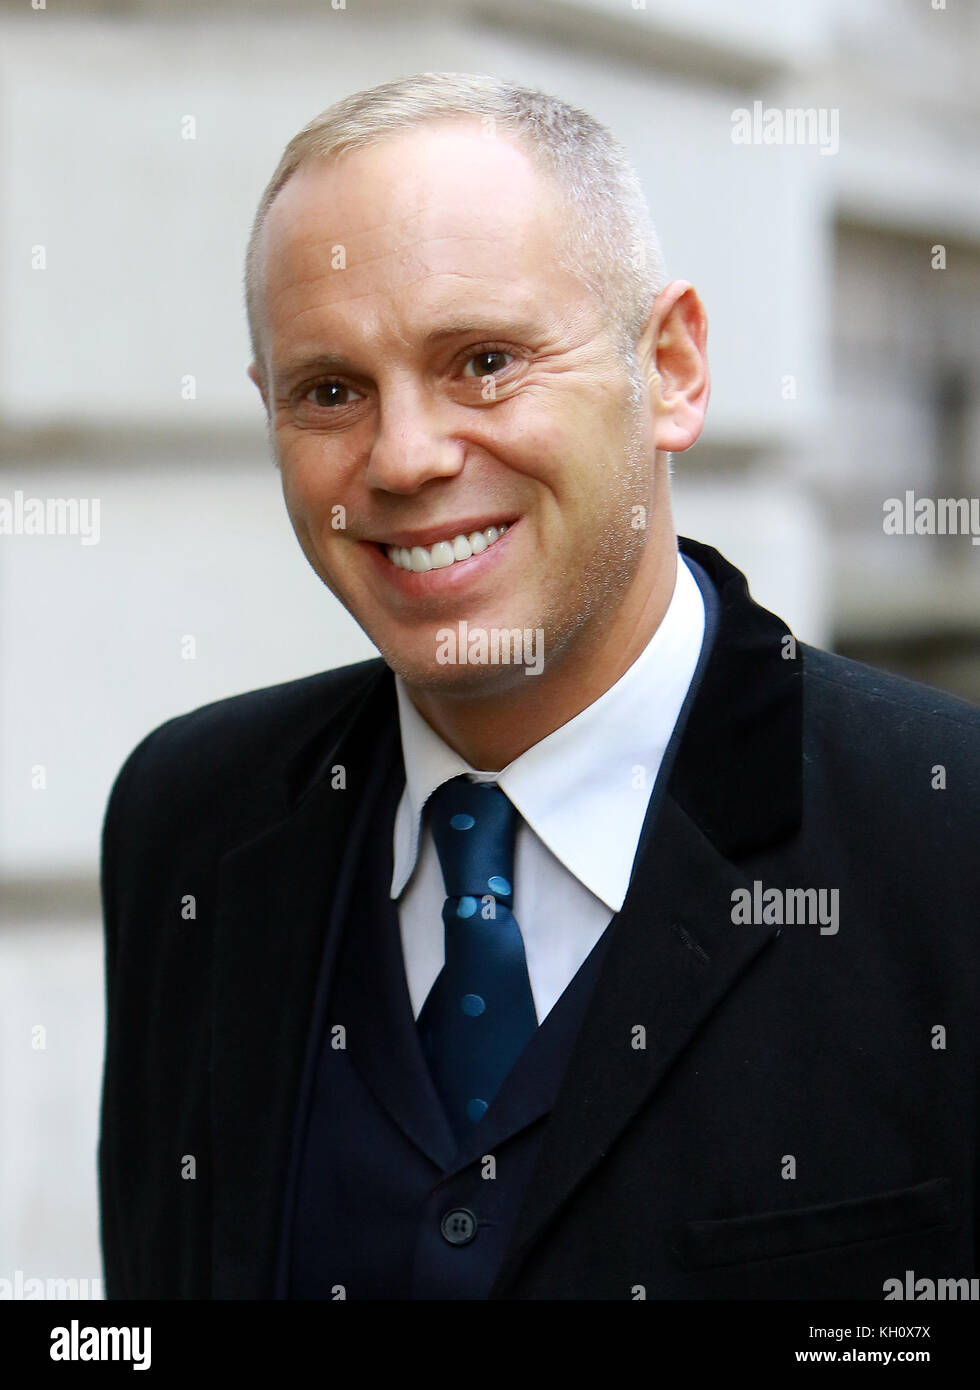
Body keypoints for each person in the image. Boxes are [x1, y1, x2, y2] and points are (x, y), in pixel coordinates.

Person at [97, 72, 979, 1300]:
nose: (404, 457)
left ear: (668, 368)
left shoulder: (945, 831)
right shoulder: (192, 822)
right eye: (331, 391)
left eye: (485, 361)